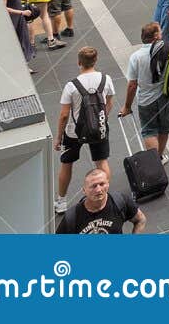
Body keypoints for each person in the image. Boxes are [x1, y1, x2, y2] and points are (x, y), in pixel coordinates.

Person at [54, 46, 114, 214]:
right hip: (99, 129)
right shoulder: (106, 79)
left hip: (74, 133)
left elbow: (64, 115)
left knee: (67, 164)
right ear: (95, 61)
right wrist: (101, 120)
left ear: (79, 62)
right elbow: (109, 103)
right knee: (101, 161)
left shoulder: (71, 86)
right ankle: (104, 196)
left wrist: (59, 137)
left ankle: (62, 201)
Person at [118, 22, 169, 158]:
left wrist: (127, 106)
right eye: (159, 31)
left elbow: (132, 85)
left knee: (149, 131)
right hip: (166, 97)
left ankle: (153, 162)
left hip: (146, 100)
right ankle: (159, 157)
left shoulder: (136, 57)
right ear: (156, 36)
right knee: (164, 129)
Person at [56, 168, 144, 234]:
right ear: (84, 191)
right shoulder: (72, 216)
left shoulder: (120, 201)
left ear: (108, 184)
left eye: (102, 184)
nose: (98, 190)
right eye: (93, 186)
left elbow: (140, 220)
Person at [2, 0, 36, 73]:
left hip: (19, 18)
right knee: (17, 42)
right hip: (13, 19)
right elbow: (4, 8)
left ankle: (24, 64)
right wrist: (22, 12)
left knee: (24, 39)